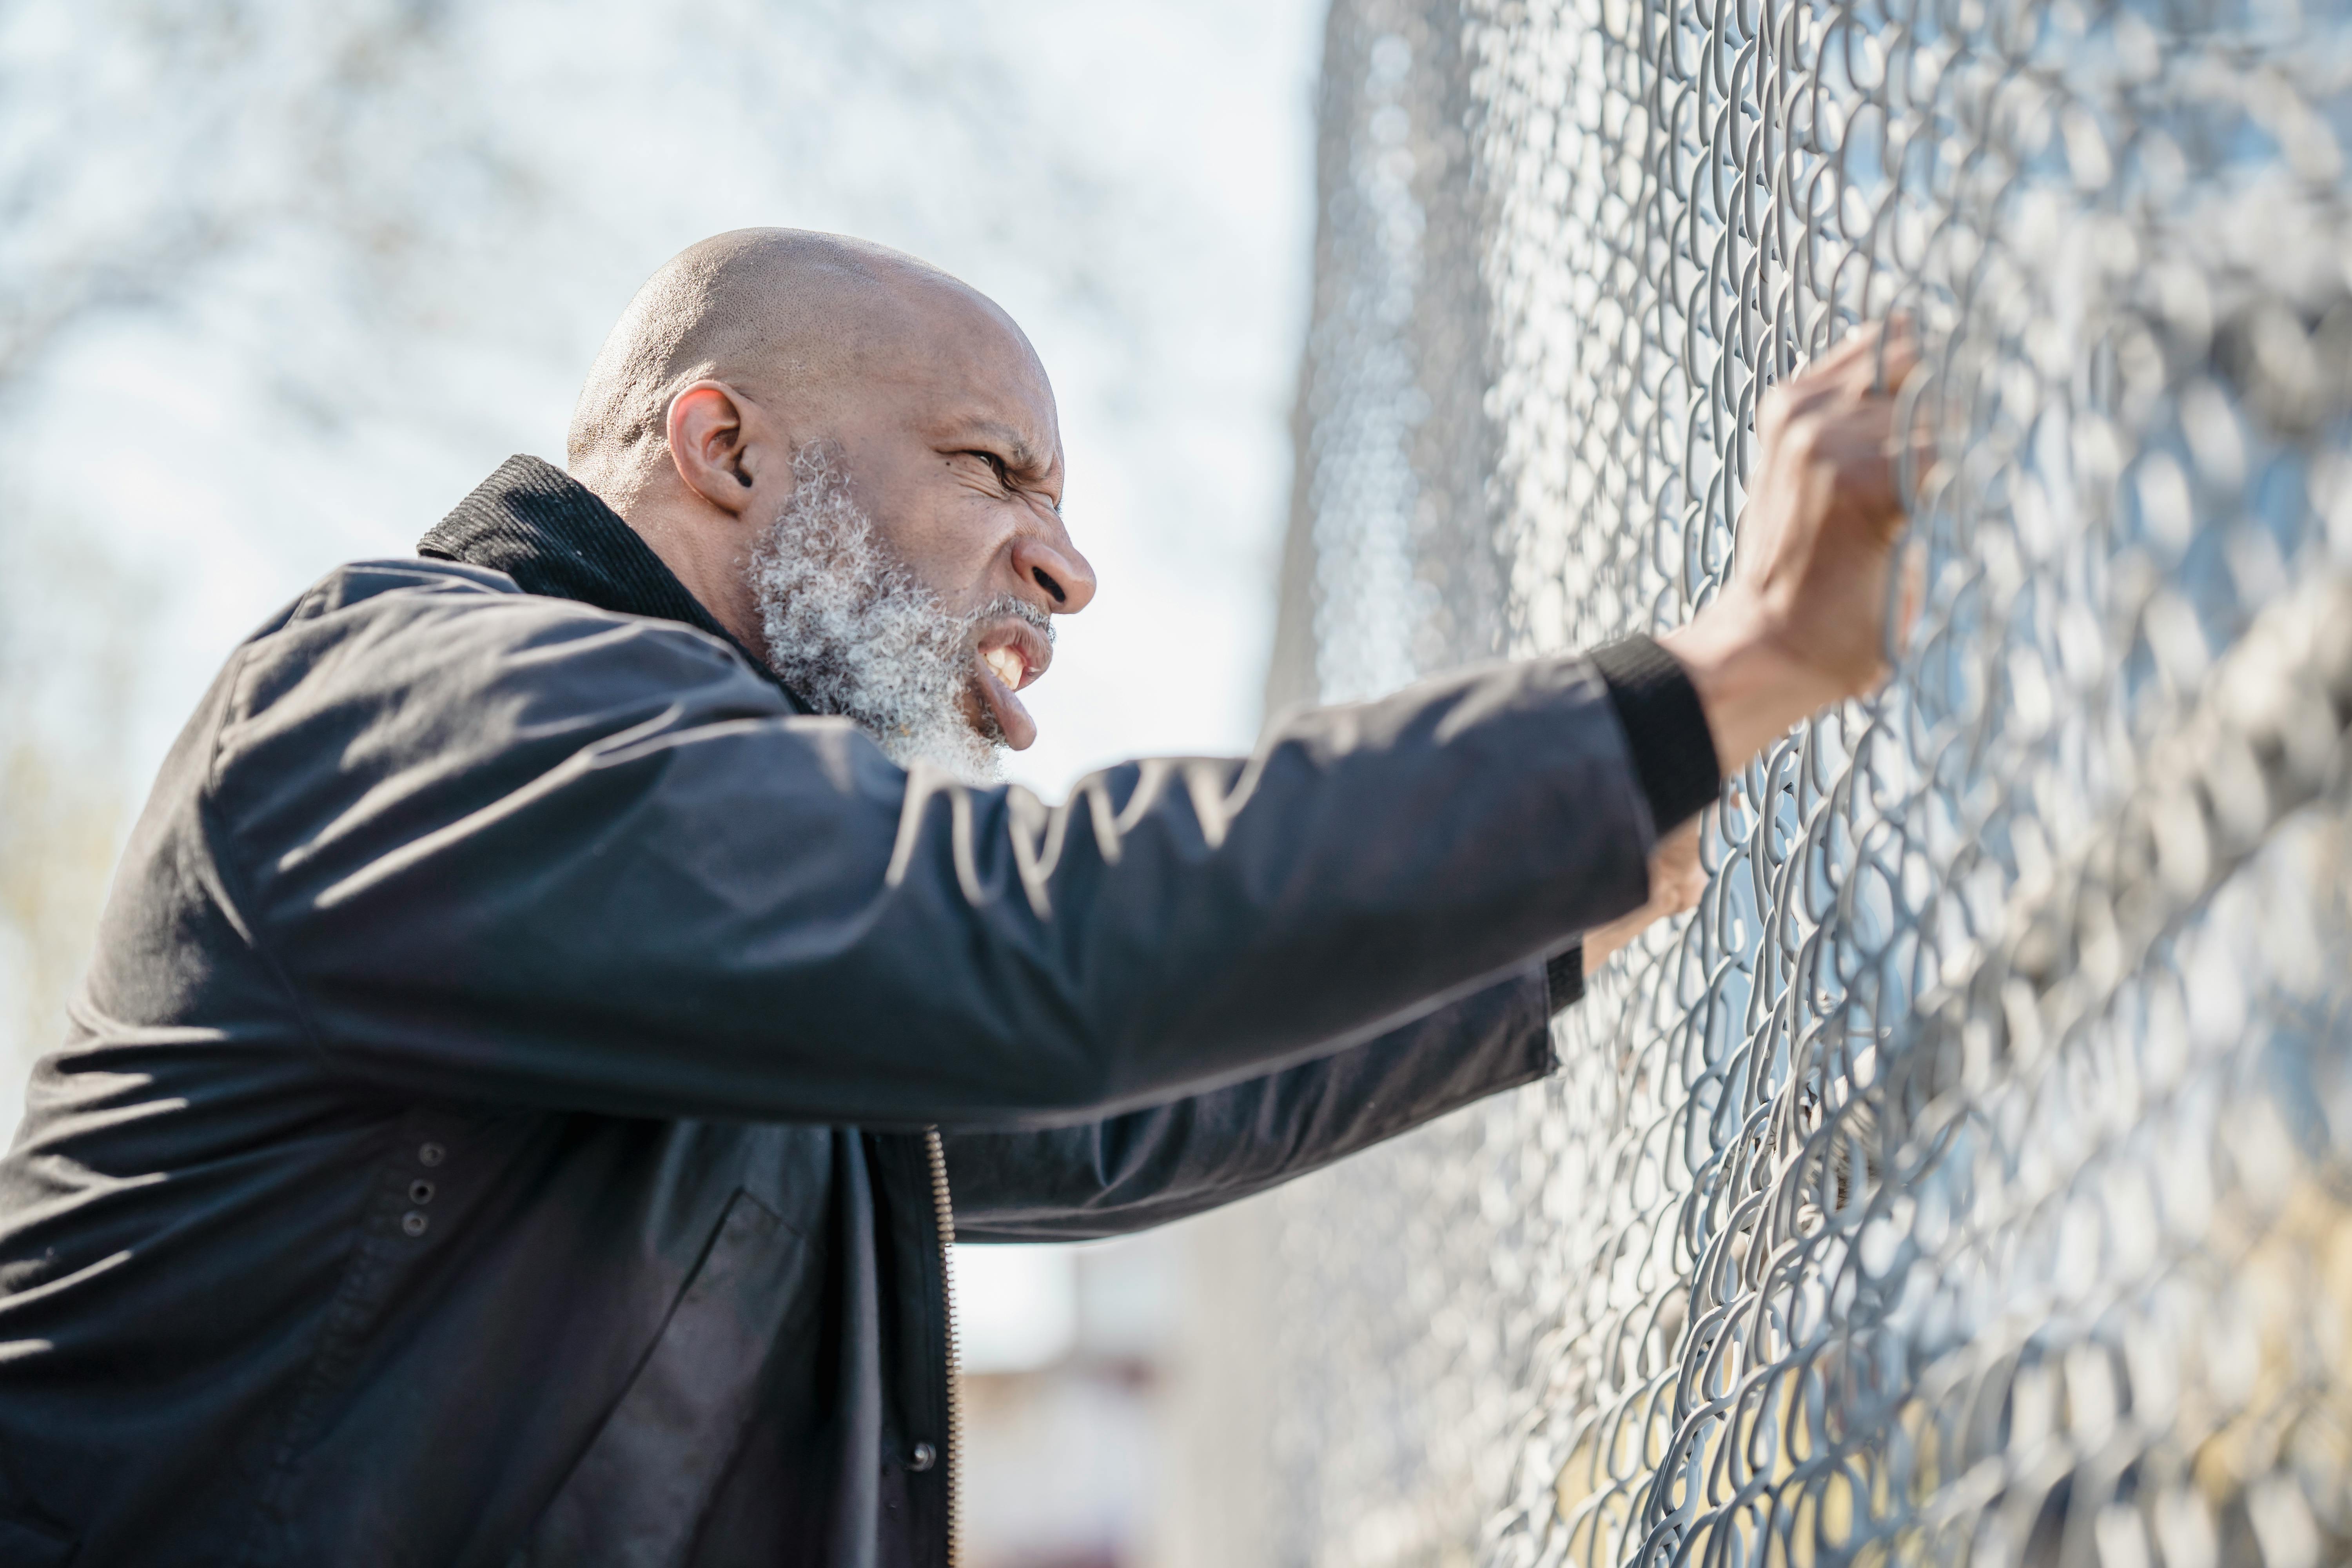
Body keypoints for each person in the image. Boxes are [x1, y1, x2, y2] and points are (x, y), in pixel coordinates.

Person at [0, 230, 1916, 1567]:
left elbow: (1094, 1113)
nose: (1069, 569)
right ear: (723, 447)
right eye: (997, 468)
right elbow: (1034, 943)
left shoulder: (686, 931)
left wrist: (1538, 924)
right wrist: (1701, 685)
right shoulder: (426, 704)